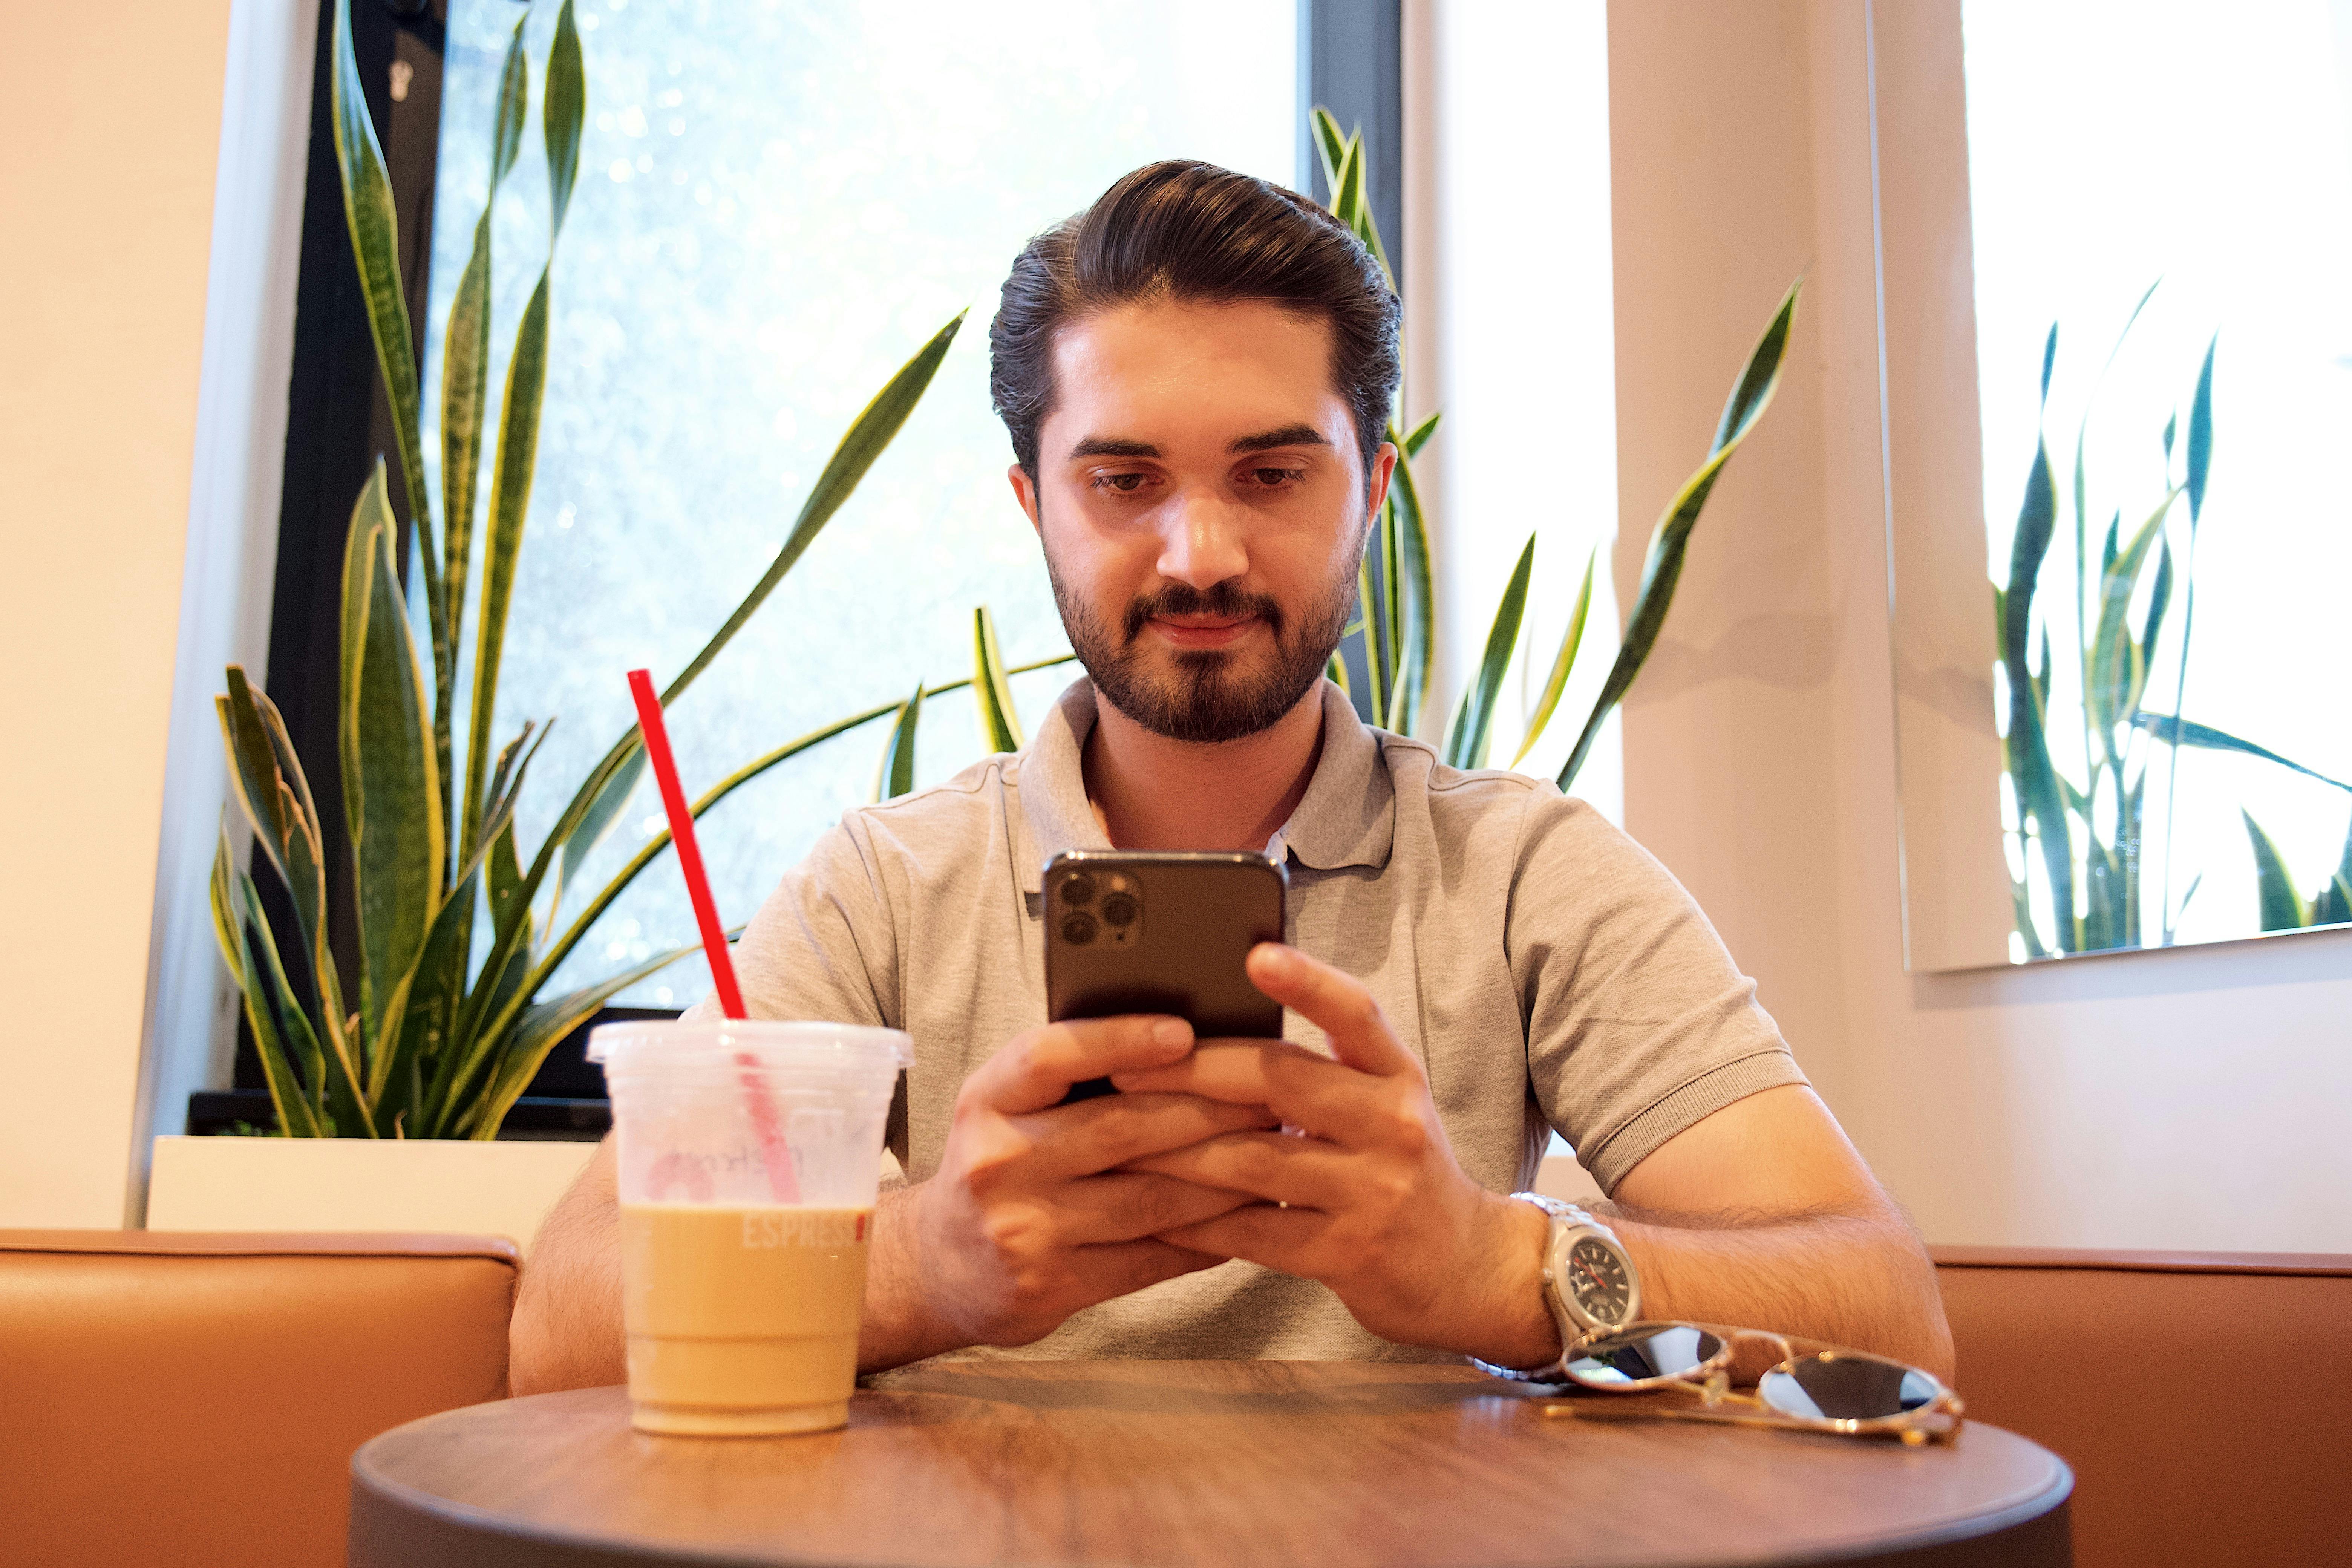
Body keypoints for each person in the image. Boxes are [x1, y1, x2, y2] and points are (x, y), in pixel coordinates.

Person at [512, 161, 1953, 1392]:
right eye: (1123, 481)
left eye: (1271, 475)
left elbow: (1893, 1315)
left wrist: (1494, 1266)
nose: (1200, 555)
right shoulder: (884, 891)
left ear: (1370, 490)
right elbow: (560, 1328)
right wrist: (924, 1268)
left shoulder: (1525, 876)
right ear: (1033, 506)